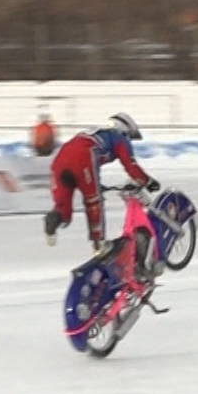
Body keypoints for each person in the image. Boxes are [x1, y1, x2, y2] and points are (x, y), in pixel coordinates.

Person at [44, 112, 161, 280]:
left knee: (64, 210)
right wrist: (147, 181)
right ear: (126, 128)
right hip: (83, 156)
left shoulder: (95, 133)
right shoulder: (118, 137)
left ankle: (54, 219)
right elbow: (130, 165)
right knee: (93, 201)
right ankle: (99, 244)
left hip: (60, 160)